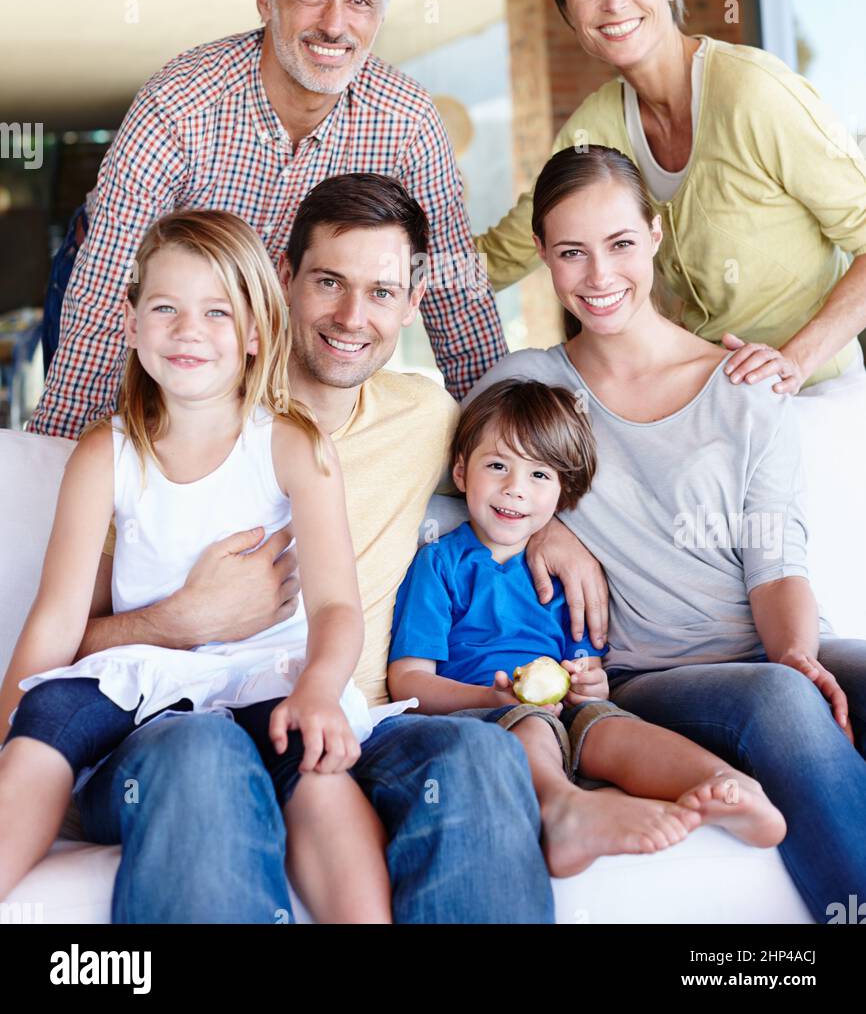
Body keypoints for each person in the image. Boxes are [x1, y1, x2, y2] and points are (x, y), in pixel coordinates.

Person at [36, 174, 559, 924]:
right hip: (189, 718)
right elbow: (70, 642)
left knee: (480, 757)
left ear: (414, 304)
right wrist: (178, 619)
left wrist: (560, 527)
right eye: (328, 282)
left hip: (366, 720)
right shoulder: (186, 422)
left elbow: (521, 464)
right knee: (203, 759)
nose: (352, 317)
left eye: (382, 292)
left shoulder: (428, 417)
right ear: (283, 281)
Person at [465, 143, 866, 923]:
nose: (599, 275)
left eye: (618, 244)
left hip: (775, 644)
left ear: (654, 232)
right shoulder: (528, 387)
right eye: (571, 253)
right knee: (783, 703)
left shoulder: (745, 386)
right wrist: (545, 533)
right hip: (653, 675)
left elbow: (776, 555)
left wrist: (796, 654)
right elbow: (461, 494)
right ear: (545, 258)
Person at [1, 208, 414, 923]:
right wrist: (8, 718)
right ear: (131, 323)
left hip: (263, 672)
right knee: (44, 719)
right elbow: (57, 619)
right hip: (140, 680)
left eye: (216, 312)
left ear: (256, 333)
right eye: (166, 307)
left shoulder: (291, 444)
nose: (188, 330)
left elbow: (337, 606)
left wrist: (319, 687)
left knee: (320, 773)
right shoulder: (107, 453)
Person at [30, 0, 507, 440]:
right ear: (265, 0)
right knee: (124, 448)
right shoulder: (181, 100)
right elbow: (111, 283)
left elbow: (449, 282)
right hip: (150, 290)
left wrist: (507, 442)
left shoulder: (409, 121)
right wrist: (59, 454)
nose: (334, 24)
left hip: (280, 310)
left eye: (359, 2)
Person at [388, 377, 787, 878]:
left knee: (610, 725)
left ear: (562, 490)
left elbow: (587, 668)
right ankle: (562, 809)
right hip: (484, 713)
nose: (515, 487)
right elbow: (407, 683)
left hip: (566, 710)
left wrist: (589, 681)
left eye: (539, 474)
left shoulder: (565, 572)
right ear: (462, 473)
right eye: (497, 466)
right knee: (532, 724)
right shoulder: (440, 564)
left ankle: (724, 784)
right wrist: (490, 700)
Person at [475, 0, 866, 397]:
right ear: (569, 12)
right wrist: (391, 275)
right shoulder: (594, 127)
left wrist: (795, 360)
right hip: (709, 399)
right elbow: (504, 254)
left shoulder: (754, 94)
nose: (613, 1)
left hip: (814, 395)